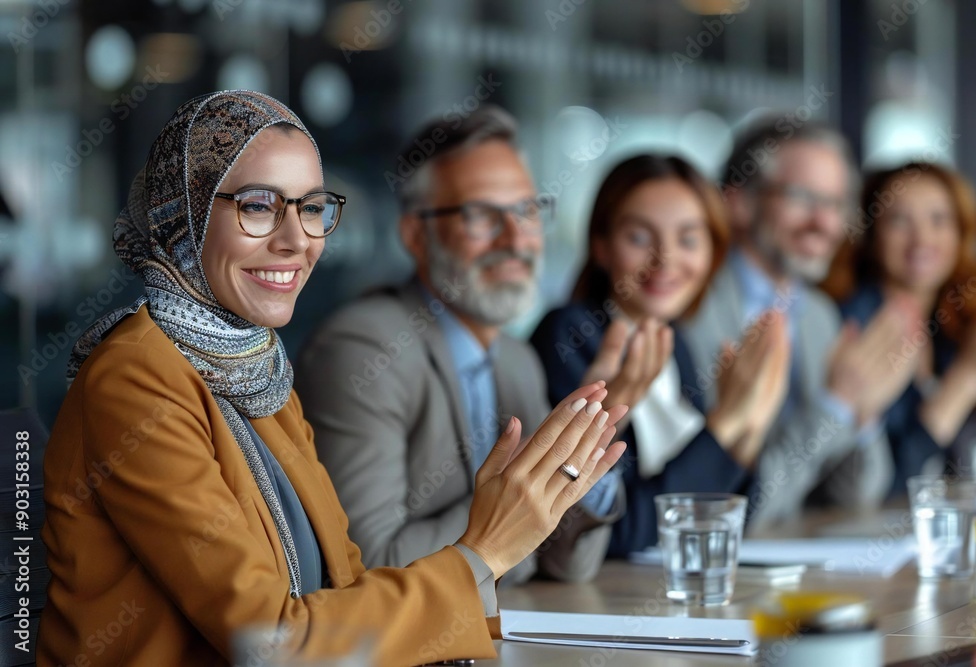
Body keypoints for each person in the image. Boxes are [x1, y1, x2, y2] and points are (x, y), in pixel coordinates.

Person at [38, 91, 626, 666]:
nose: (296, 239)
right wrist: (485, 550)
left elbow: (346, 581)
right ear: (185, 215)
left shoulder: (257, 367)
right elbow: (270, 643)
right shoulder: (136, 375)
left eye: (312, 207)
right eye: (259, 205)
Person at [295, 106, 668, 584]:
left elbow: (567, 564)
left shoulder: (516, 360)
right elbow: (367, 568)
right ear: (416, 234)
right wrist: (522, 501)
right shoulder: (365, 350)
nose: (516, 238)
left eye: (527, 210)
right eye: (480, 215)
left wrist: (585, 442)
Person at [531, 154, 791, 555]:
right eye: (639, 237)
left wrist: (750, 428)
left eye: (688, 239)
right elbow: (621, 531)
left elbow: (726, 511)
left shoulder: (676, 341)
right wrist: (726, 423)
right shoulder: (568, 333)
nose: (665, 260)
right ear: (601, 246)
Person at [681, 119, 923, 526]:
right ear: (740, 203)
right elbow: (735, 503)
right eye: (802, 198)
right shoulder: (695, 309)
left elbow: (856, 493)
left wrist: (861, 411)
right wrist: (835, 405)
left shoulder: (819, 314)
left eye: (835, 204)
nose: (825, 223)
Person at [824, 161, 976, 495]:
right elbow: (886, 491)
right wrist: (967, 379)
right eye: (899, 220)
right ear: (871, 233)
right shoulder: (845, 327)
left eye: (939, 220)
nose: (922, 238)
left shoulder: (957, 325)